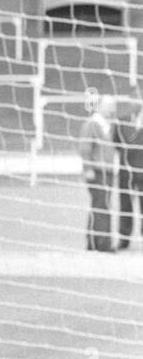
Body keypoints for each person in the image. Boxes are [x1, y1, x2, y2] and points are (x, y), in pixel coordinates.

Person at [78, 95, 118, 252]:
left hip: (107, 172)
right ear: (100, 106)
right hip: (97, 172)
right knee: (102, 206)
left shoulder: (107, 125)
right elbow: (85, 148)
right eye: (109, 106)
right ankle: (103, 244)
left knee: (99, 205)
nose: (112, 110)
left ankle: (92, 242)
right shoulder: (92, 124)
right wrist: (88, 169)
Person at [114, 101, 143, 251]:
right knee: (125, 206)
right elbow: (116, 142)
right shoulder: (122, 121)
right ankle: (124, 239)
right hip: (126, 172)